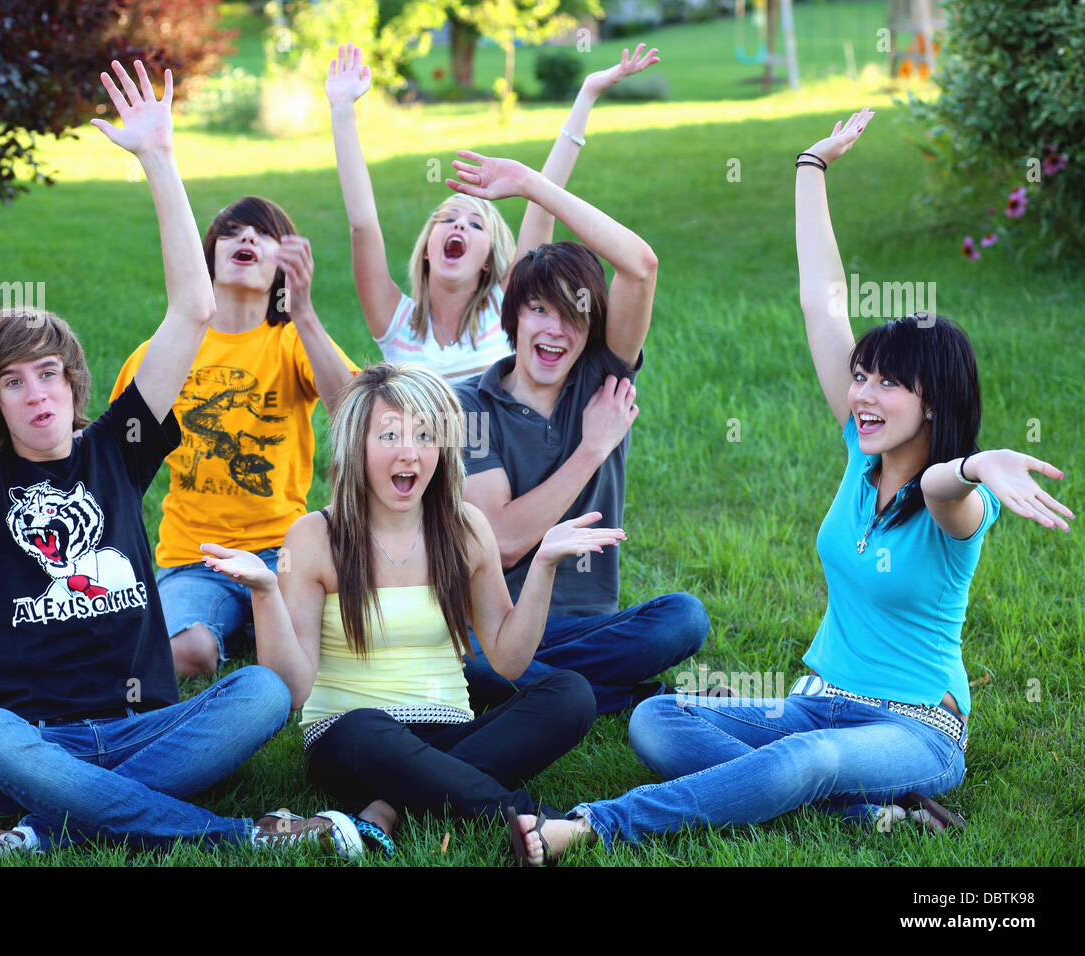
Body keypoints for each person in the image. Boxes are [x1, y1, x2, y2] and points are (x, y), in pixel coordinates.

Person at [507, 108, 1075, 865]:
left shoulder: (960, 507)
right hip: (817, 703)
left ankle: (594, 825)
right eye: (862, 377)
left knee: (802, 764)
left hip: (916, 729)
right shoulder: (860, 446)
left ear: (933, 402)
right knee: (658, 721)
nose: (864, 395)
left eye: (888, 385)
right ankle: (862, 814)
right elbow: (824, 301)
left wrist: (979, 464)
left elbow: (943, 485)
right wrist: (811, 168)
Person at [0, 61, 360, 862]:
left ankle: (40, 830)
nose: (35, 394)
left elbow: (193, 309)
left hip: (148, 725)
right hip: (36, 736)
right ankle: (235, 837)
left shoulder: (118, 451)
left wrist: (158, 158)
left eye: (48, 374)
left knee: (263, 691)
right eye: (12, 382)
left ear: (74, 382)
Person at [201, 363, 603, 852]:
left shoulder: (466, 527)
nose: (409, 451)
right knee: (363, 727)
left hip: (451, 731)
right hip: (352, 740)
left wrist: (542, 565)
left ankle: (385, 808)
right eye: (389, 435)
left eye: (425, 434)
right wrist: (265, 593)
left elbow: (509, 660)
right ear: (357, 447)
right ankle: (534, 820)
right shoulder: (313, 537)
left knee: (571, 693)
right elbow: (293, 686)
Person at [446, 151, 710, 714]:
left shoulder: (601, 378)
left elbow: (640, 265)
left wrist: (531, 186)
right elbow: (505, 539)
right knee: (470, 660)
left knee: (684, 618)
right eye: (539, 309)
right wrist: (593, 448)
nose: (555, 329)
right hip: (500, 625)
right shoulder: (468, 404)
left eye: (575, 314)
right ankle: (625, 695)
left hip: (589, 627)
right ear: (513, 319)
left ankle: (549, 689)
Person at [111, 196, 357, 679]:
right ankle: (232, 626)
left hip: (287, 553)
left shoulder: (290, 342)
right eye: (233, 231)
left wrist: (304, 315)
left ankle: (256, 626)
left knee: (348, 648)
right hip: (198, 559)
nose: (247, 238)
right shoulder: (163, 350)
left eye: (264, 234)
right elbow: (110, 458)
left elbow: (357, 413)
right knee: (190, 652)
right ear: (208, 258)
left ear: (284, 270)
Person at [326, 41, 661, 384]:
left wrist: (586, 95)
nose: (460, 224)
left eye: (476, 224)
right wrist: (341, 110)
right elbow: (363, 225)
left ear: (488, 258)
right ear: (427, 248)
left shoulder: (508, 310)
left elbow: (543, 207)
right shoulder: (394, 321)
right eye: (447, 219)